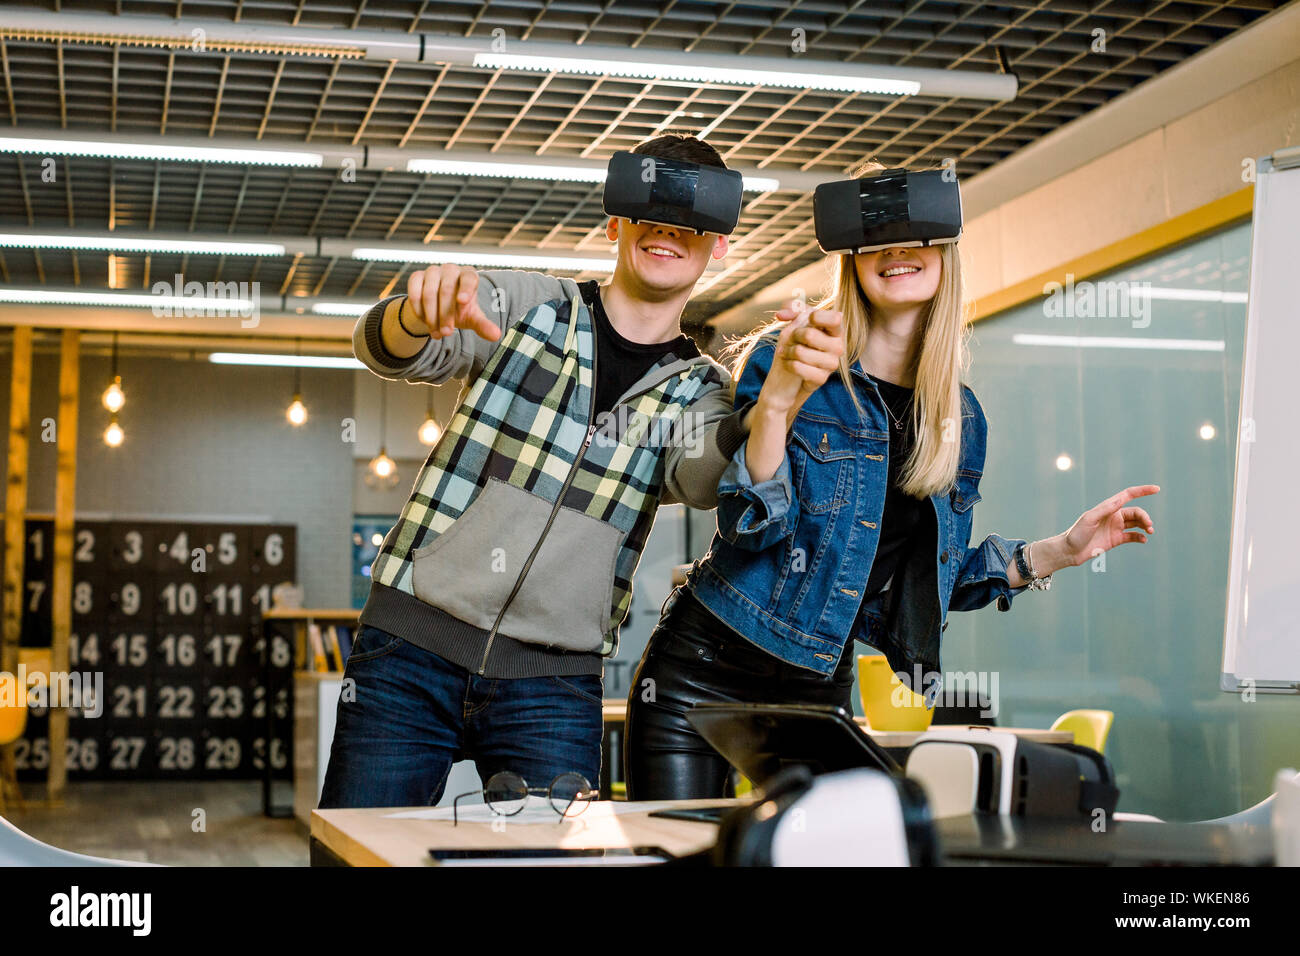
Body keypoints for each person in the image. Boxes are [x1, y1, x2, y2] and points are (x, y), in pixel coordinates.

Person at [318, 133, 839, 809]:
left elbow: (709, 480)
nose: (668, 232)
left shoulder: (699, 392)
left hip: (553, 685)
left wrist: (777, 400)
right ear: (615, 221)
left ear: (719, 247)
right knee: (355, 853)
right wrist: (413, 316)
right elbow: (387, 349)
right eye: (650, 212)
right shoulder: (529, 306)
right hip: (409, 653)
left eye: (692, 224)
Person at [624, 161, 1161, 800]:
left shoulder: (958, 417)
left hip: (816, 689)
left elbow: (922, 579)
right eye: (877, 240)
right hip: (701, 673)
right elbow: (747, 524)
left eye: (917, 239)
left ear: (944, 256)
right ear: (853, 257)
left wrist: (1060, 552)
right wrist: (779, 400)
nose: (897, 253)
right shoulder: (792, 355)